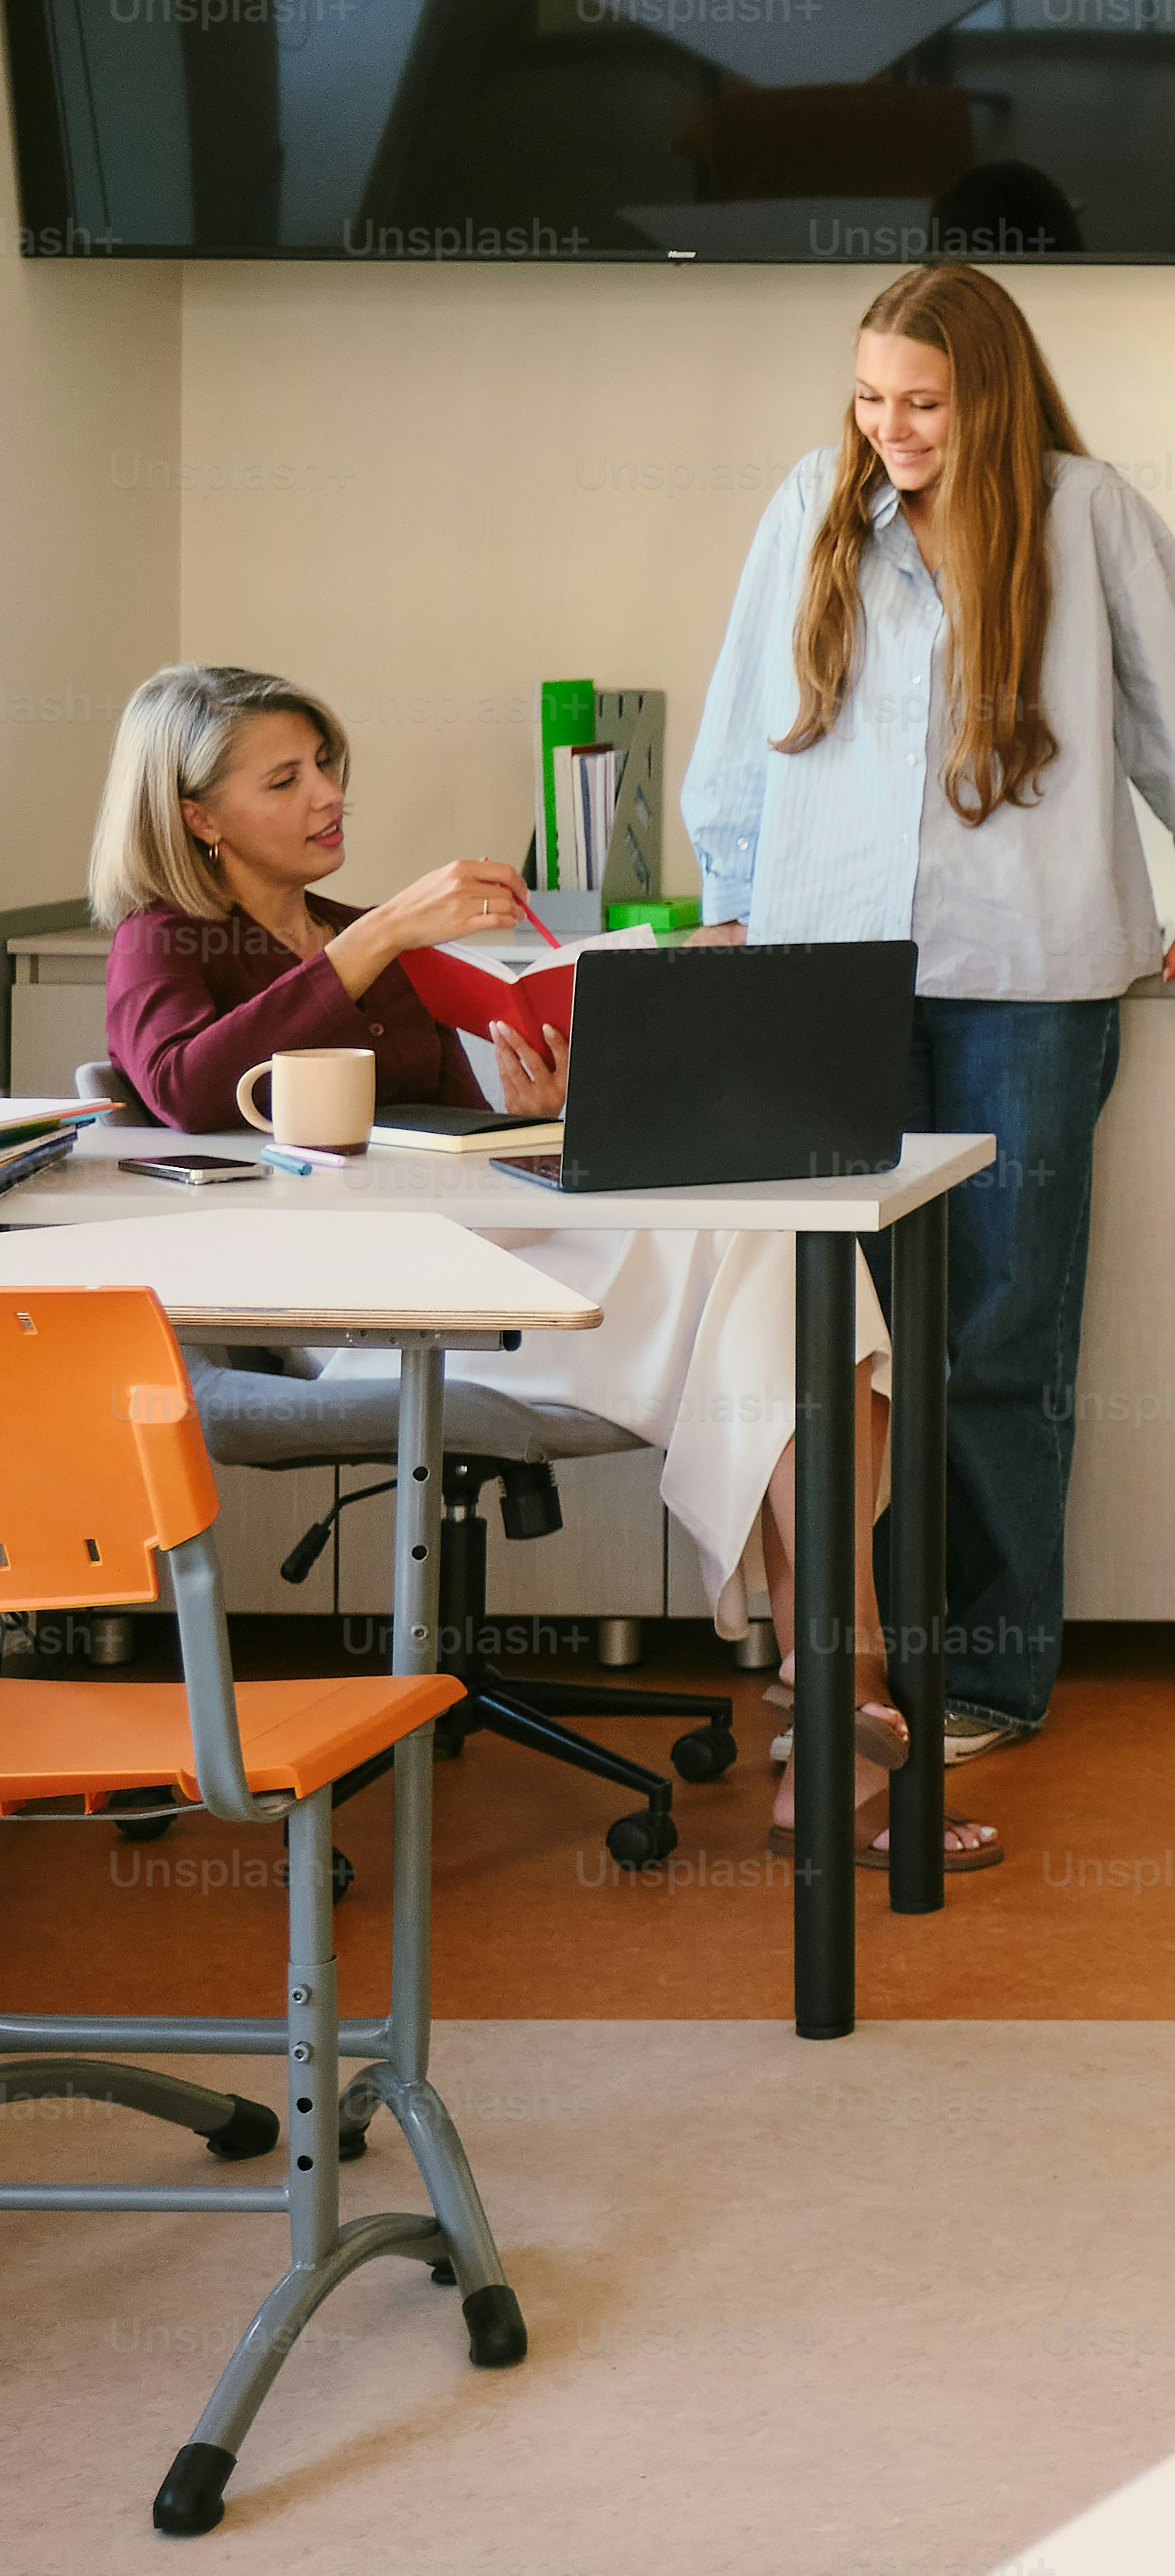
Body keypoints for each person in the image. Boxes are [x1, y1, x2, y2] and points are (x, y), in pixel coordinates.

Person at [87, 662, 994, 1870]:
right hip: (350, 1303)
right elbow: (190, 1086)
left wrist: (546, 1102)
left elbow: (444, 1133)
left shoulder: (353, 932)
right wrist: (383, 939)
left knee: (782, 1259)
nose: (327, 796)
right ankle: (841, 1713)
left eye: (329, 766)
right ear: (198, 814)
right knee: (784, 1299)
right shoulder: (168, 939)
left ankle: (833, 1692)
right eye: (286, 778)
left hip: (467, 1262)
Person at [684, 262, 1175, 1769]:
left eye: (924, 403)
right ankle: (855, 1672)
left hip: (1033, 971)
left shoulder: (1087, 511)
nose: (895, 428)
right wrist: (728, 898)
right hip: (831, 964)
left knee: (1003, 1328)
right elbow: (746, 709)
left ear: (987, 396)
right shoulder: (812, 503)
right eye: (874, 399)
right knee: (844, 1336)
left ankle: (990, 1676)